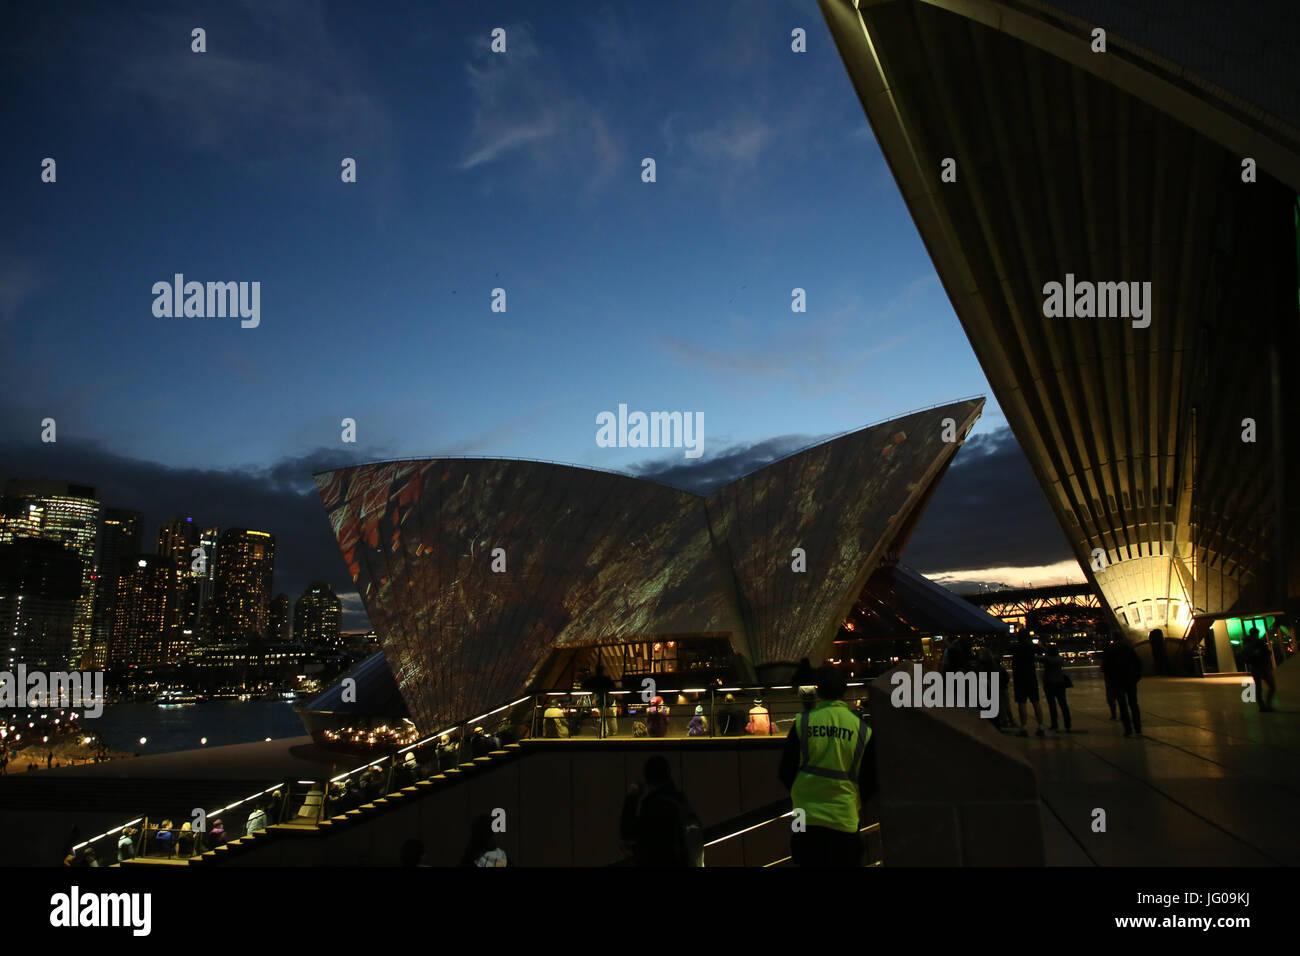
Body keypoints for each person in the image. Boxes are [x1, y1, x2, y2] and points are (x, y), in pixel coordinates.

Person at [779, 666, 876, 867]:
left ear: (818, 690)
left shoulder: (803, 723)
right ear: (845, 690)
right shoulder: (862, 730)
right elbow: (870, 780)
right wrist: (854, 801)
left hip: (804, 819)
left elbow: (785, 771)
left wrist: (801, 792)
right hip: (845, 819)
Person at [620, 755, 702, 866]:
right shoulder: (679, 801)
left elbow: (628, 833)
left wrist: (632, 798)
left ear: (647, 779)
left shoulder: (652, 806)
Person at [1101, 634, 1142, 736]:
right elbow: (1138, 663)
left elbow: (1105, 667)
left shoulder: (1111, 650)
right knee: (1133, 704)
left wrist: (1110, 679)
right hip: (1130, 680)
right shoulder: (1129, 649)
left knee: (1122, 705)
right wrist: (1136, 677)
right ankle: (1138, 729)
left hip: (1117, 682)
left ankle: (1128, 730)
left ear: (1113, 639)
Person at [1010, 633, 1045, 736]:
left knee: (1021, 702)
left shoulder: (1016, 648)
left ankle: (1024, 727)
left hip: (1019, 677)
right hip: (1031, 676)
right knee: (1036, 702)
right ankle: (1041, 726)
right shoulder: (1032, 647)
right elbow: (1043, 649)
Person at [1039, 644, 1072, 732]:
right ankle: (1067, 724)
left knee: (1052, 705)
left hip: (1049, 684)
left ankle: (1054, 724)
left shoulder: (1046, 659)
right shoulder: (1059, 659)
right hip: (1060, 683)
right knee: (1063, 704)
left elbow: (1036, 658)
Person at [1244, 628, 1277, 712]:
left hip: (1253, 668)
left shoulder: (1246, 643)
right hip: (1262, 667)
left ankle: (1261, 706)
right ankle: (1268, 705)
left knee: (1258, 687)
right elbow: (1267, 653)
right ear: (1256, 634)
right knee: (1271, 686)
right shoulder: (1259, 642)